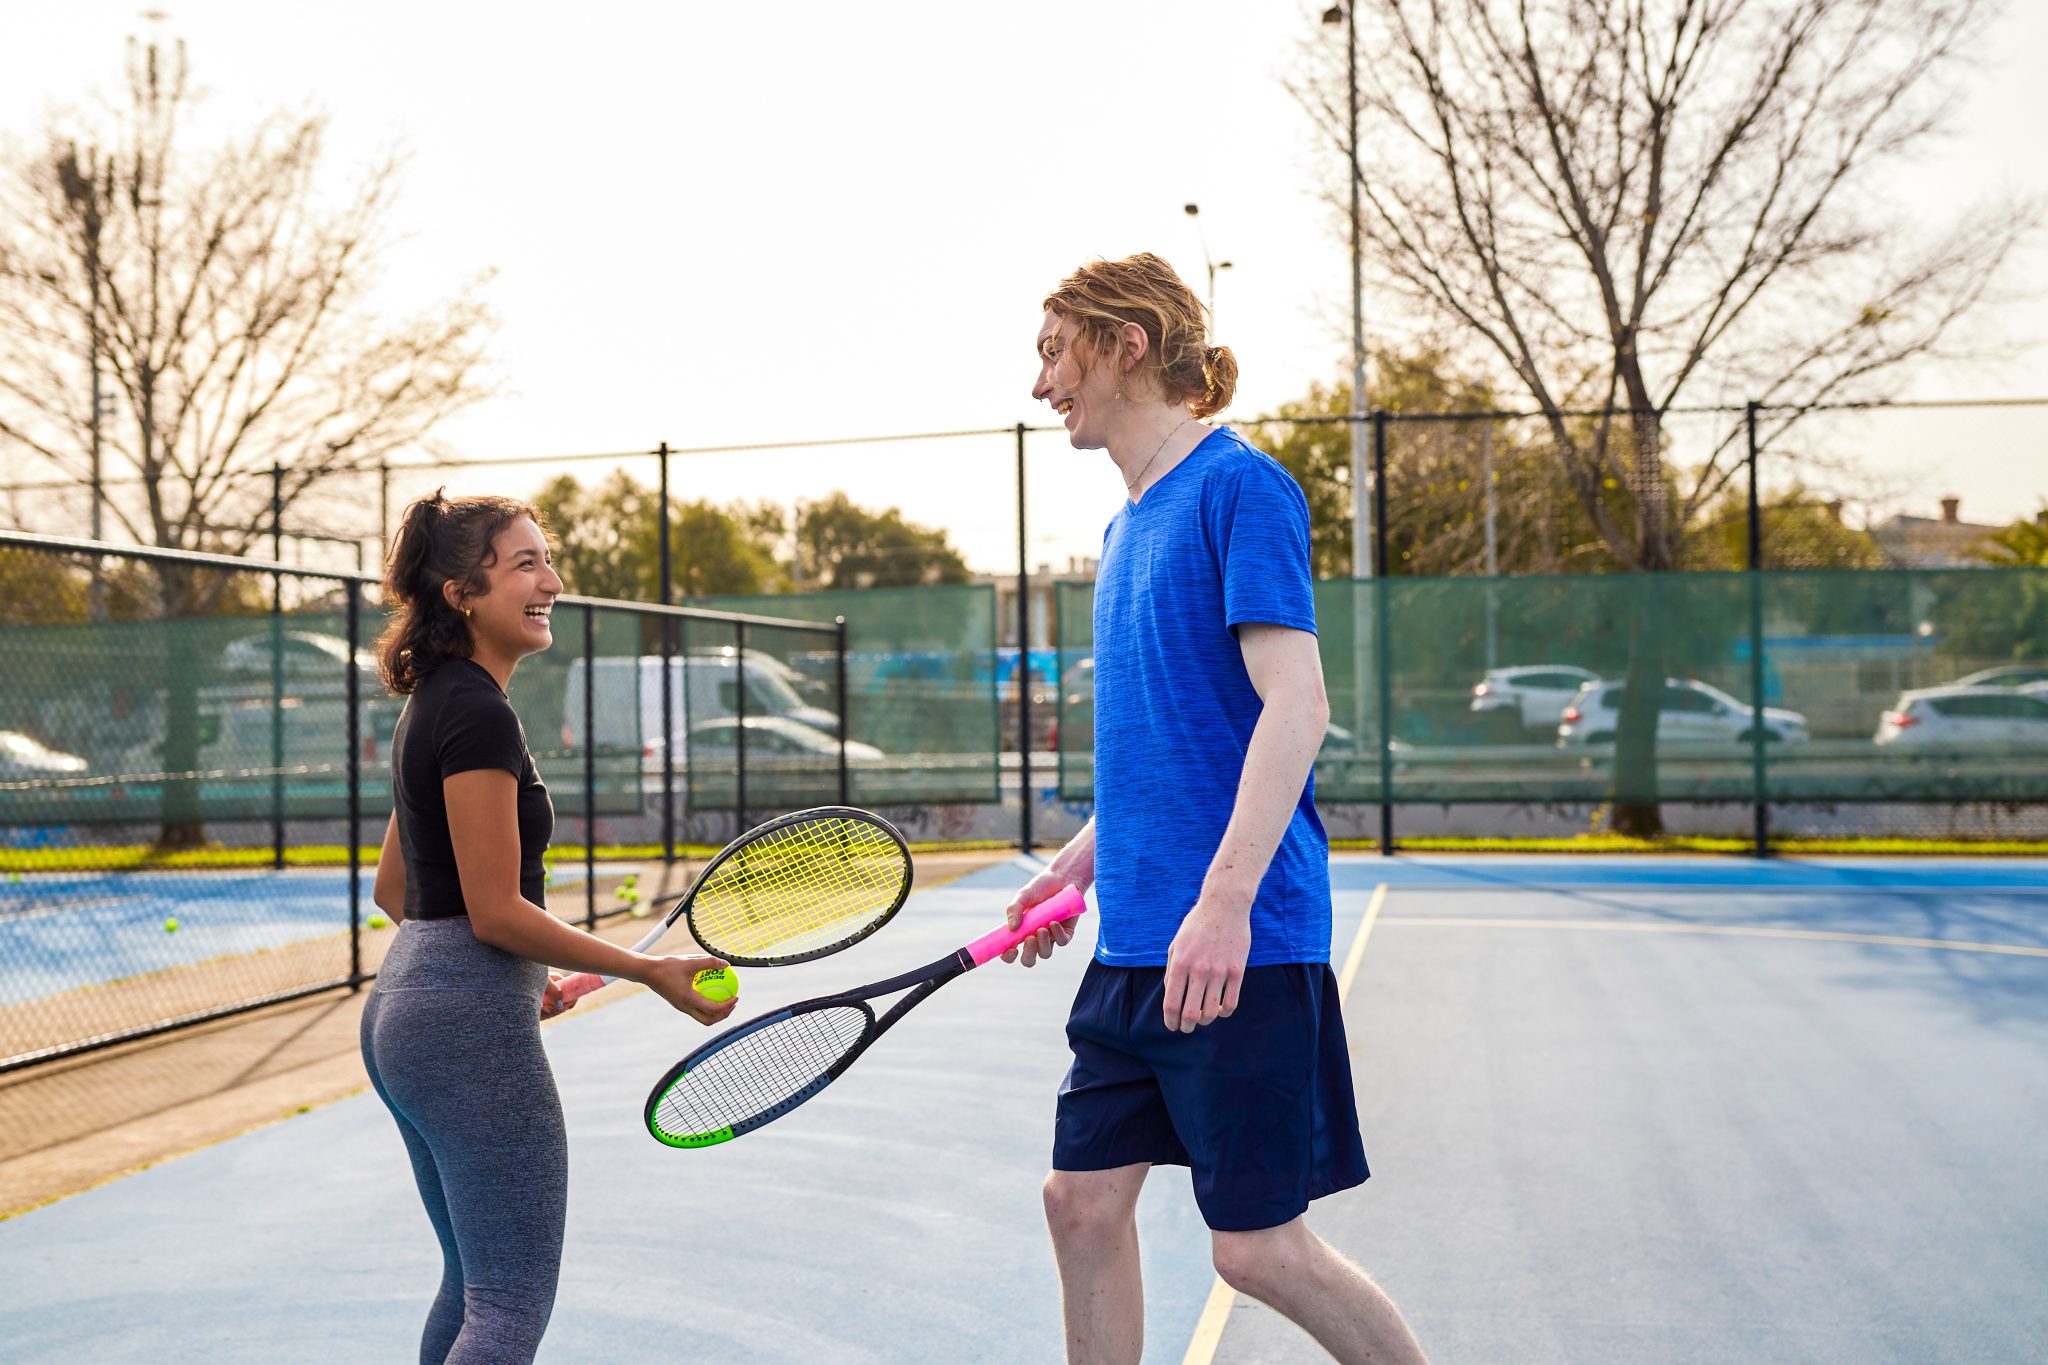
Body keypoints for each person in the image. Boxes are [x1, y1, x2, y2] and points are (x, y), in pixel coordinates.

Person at [1009, 254, 1429, 1365]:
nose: (1042, 383)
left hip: (1233, 945)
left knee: (1256, 1252)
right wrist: (1082, 861)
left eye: (1055, 351)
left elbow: (1295, 703)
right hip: (1136, 941)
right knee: (1079, 1203)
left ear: (1126, 344)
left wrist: (1224, 903)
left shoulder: (1242, 488)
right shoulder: (1120, 532)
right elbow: (1172, 739)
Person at [361, 491, 736, 1364]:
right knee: (508, 1300)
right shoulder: (478, 713)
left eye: (546, 560)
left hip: (403, 1011)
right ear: (462, 591)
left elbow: (399, 889)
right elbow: (492, 910)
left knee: (470, 1283)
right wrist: (649, 971)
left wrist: (518, 979)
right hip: (456, 1019)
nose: (551, 581)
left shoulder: (435, 702)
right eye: (525, 563)